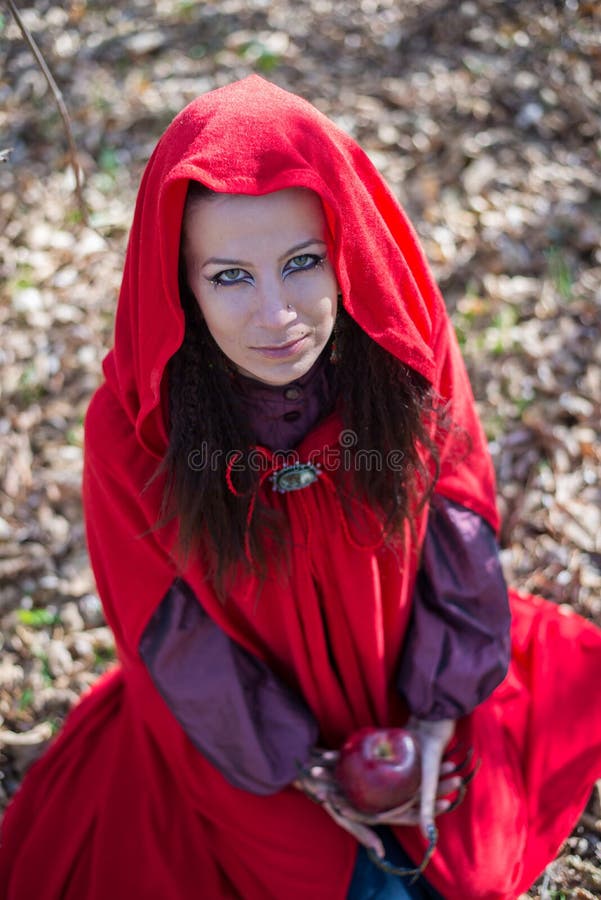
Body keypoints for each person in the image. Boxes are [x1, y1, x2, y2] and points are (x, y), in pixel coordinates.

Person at [1, 75, 600, 900]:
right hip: (238, 730)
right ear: (181, 285)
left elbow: (457, 514)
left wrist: (434, 717)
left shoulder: (399, 360)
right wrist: (295, 766)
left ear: (345, 248)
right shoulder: (131, 427)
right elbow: (167, 630)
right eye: (230, 277)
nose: (277, 315)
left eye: (302, 263)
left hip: (402, 674)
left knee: (472, 873)